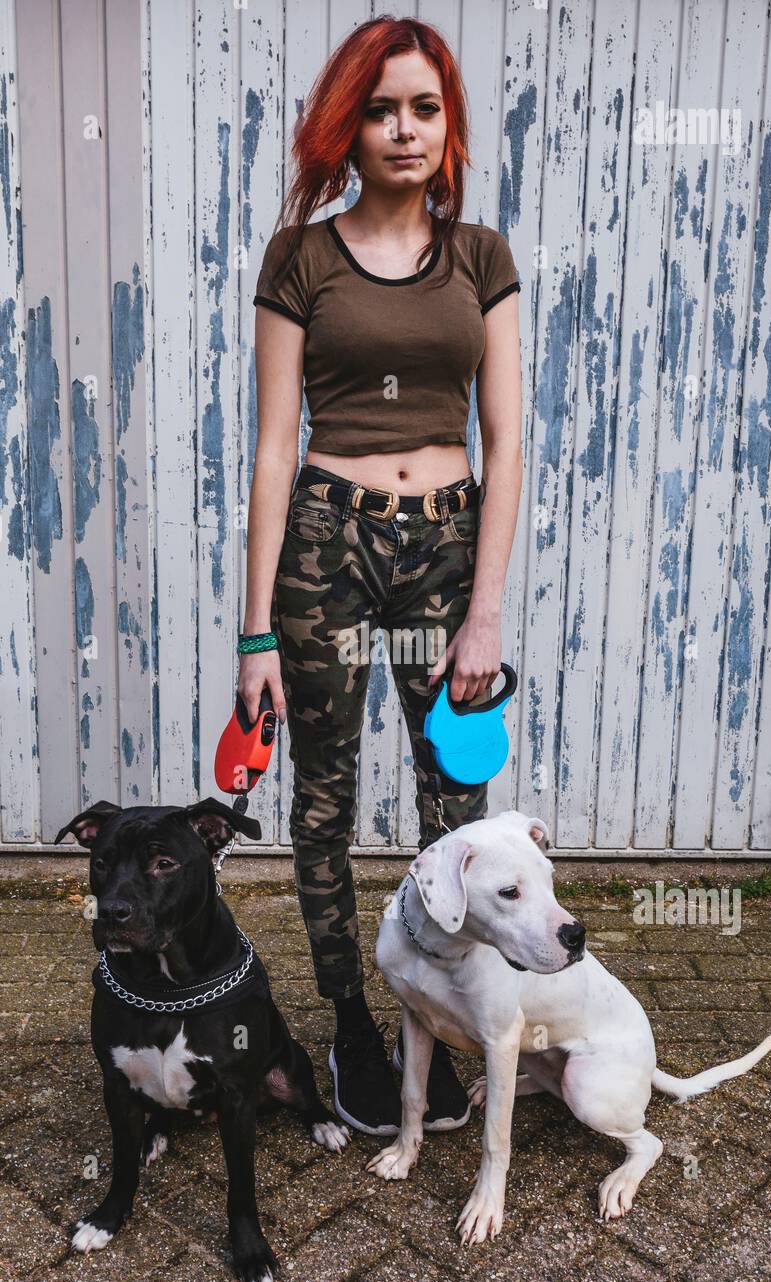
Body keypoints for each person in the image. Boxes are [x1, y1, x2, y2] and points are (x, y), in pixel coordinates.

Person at [239, 14, 522, 1136]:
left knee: (457, 805)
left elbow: (507, 438)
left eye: (424, 107)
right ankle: (351, 1020)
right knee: (323, 798)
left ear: (445, 126)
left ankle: (443, 1009)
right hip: (325, 541)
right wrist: (254, 629)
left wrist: (485, 607)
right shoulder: (300, 257)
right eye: (379, 107)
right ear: (344, 125)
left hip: (447, 548)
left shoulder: (481, 257)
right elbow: (270, 448)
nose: (402, 128)